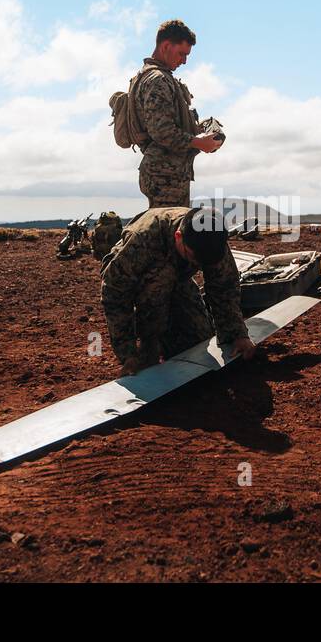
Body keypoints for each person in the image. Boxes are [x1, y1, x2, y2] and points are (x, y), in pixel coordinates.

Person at [100, 206, 255, 375]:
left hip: (178, 279)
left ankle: (169, 337)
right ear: (178, 237)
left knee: (199, 341)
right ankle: (150, 344)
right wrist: (128, 353)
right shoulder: (143, 239)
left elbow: (224, 287)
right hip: (140, 278)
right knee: (160, 283)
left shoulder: (212, 238)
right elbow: (115, 293)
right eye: (195, 259)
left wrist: (237, 334)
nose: (199, 265)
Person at [131, 19, 225, 208]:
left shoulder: (152, 76)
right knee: (168, 233)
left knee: (170, 233)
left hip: (167, 173)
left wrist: (200, 129)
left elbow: (165, 126)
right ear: (166, 46)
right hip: (164, 176)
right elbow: (162, 132)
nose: (184, 61)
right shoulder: (157, 80)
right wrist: (200, 142)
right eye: (181, 53)